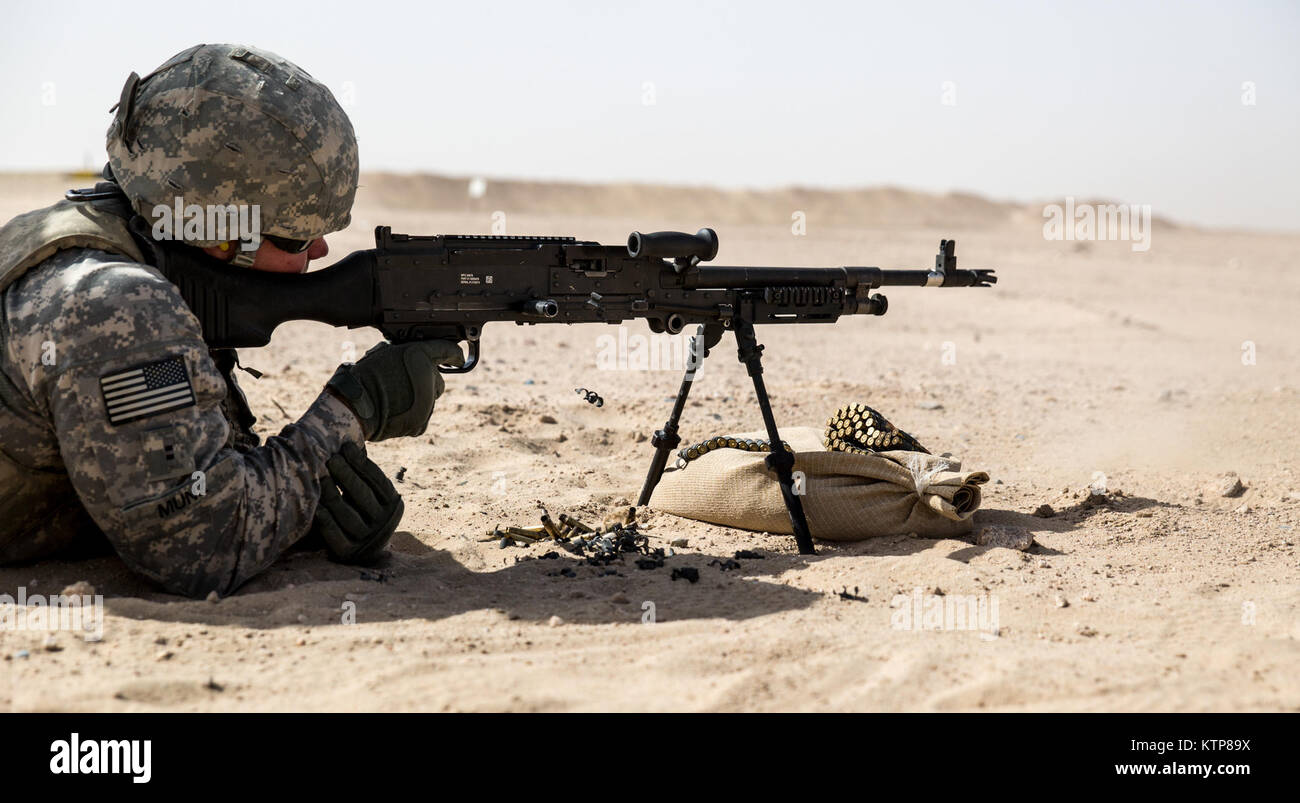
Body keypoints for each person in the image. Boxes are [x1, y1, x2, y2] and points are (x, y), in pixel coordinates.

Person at [0, 43, 461, 598]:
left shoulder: (92, 240)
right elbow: (204, 546)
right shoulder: (115, 305)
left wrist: (299, 511)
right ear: (219, 232)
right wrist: (357, 408)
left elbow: (184, 470)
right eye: (293, 236)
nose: (317, 250)